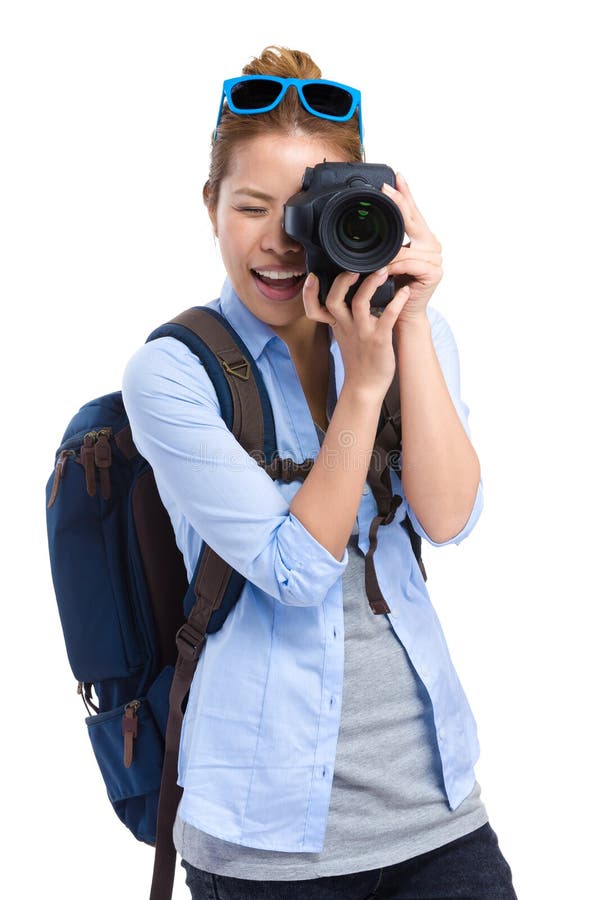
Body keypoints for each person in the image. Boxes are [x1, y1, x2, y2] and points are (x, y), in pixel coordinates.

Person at [122, 45, 517, 900]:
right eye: (251, 207)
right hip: (267, 846)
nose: (279, 242)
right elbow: (296, 570)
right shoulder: (174, 374)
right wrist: (364, 383)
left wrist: (408, 323)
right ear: (210, 206)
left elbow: (449, 516)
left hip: (437, 812)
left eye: (307, 210)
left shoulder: (415, 337)